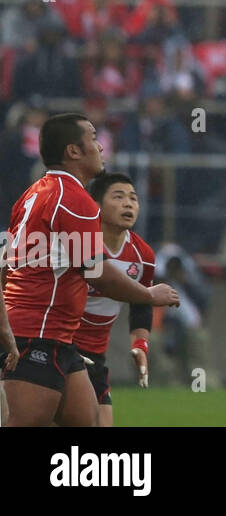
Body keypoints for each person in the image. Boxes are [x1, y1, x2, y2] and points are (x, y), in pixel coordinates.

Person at [1, 113, 179, 428]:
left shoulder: (33, 194)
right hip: (37, 334)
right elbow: (95, 271)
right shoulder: (73, 199)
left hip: (57, 337)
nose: (101, 146)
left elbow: (6, 265)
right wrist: (148, 294)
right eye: (94, 138)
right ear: (73, 151)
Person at [71, 172, 155, 427]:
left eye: (133, 198)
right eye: (118, 197)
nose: (128, 203)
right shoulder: (79, 245)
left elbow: (141, 304)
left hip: (96, 355)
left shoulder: (143, 256)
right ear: (96, 206)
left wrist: (140, 345)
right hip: (62, 349)